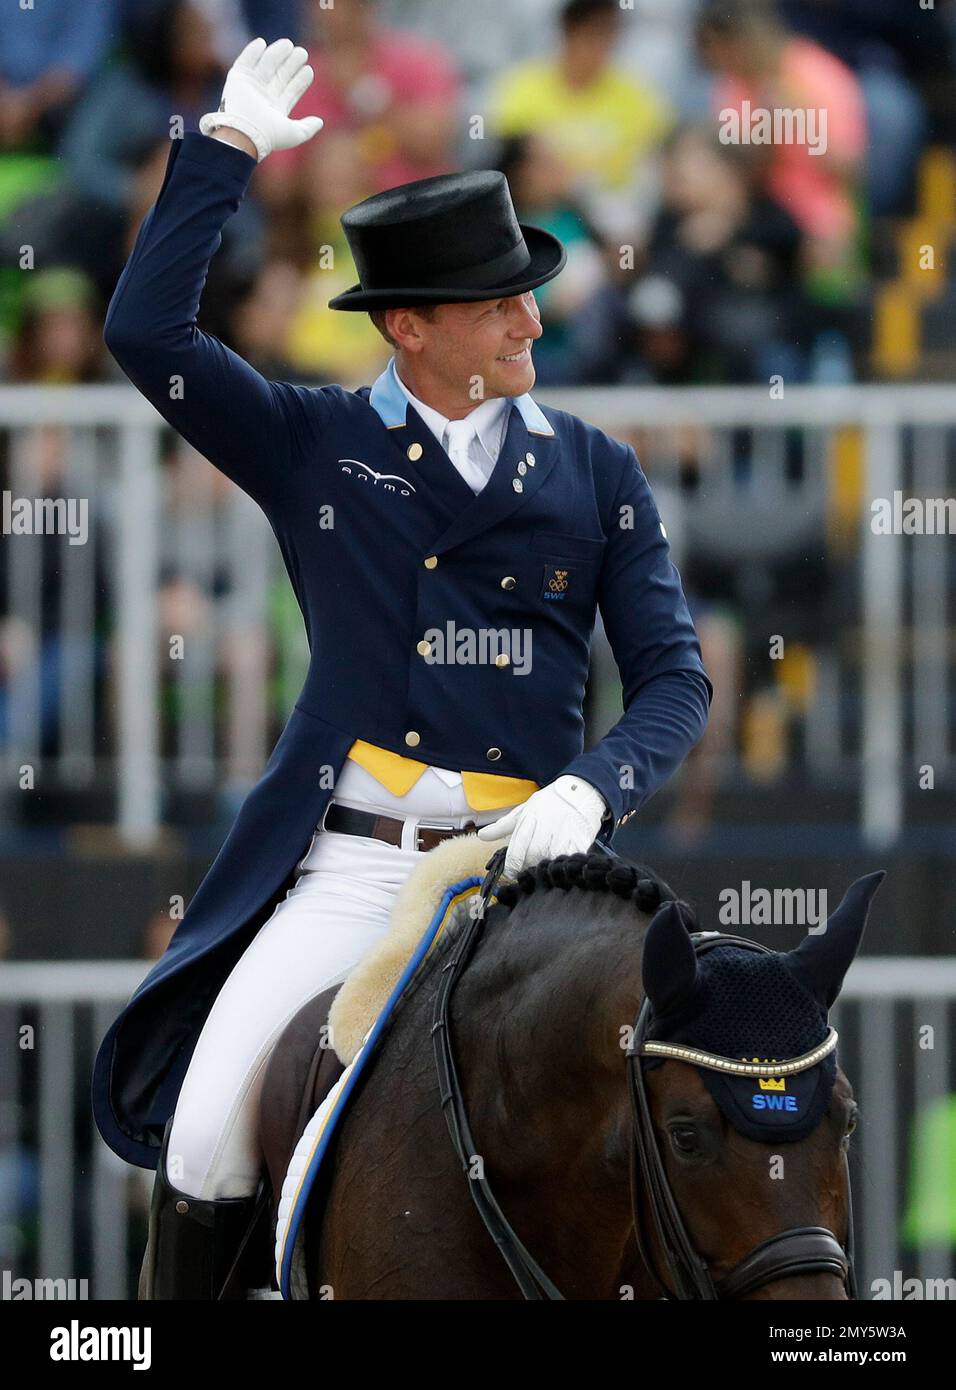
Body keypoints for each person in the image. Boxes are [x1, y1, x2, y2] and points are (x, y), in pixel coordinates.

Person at [90, 38, 712, 1299]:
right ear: (412, 328)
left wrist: (595, 788)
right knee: (210, 1132)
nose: (533, 317)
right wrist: (222, 156)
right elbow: (144, 330)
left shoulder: (594, 468)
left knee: (679, 1115)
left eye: (528, 294)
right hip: (358, 862)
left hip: (533, 865)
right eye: (500, 303)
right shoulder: (312, 442)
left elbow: (673, 682)